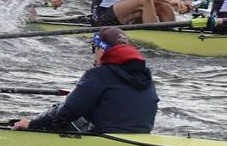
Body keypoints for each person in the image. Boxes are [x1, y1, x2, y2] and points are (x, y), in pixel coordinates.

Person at [14, 26, 157, 134]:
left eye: (93, 48)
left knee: (58, 111)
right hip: (140, 135)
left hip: (104, 138)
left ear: (102, 50)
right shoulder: (146, 75)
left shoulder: (98, 75)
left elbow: (67, 112)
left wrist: (33, 125)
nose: (93, 54)